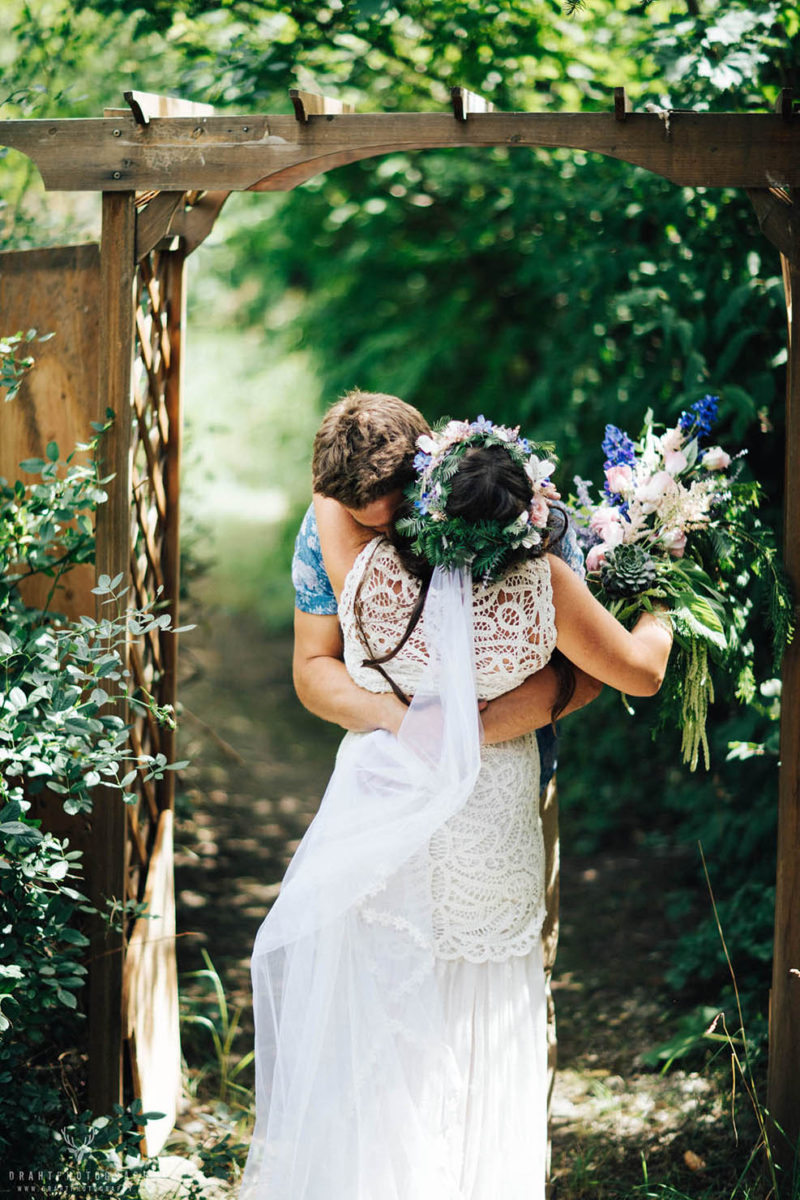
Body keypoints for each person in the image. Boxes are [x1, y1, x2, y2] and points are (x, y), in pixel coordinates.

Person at [241, 415, 672, 1199]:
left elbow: (563, 681)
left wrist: (452, 732)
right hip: (443, 794)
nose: (373, 520)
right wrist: (668, 596)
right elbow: (617, 671)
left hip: (445, 789)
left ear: (426, 473)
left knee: (401, 999)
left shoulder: (362, 572)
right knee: (457, 1001)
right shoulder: (536, 567)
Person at [291, 391, 598, 1152]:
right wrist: (408, 724)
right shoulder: (330, 522)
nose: (387, 538)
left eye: (392, 516)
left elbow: (583, 666)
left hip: (507, 787)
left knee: (506, 982)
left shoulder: (503, 509)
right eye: (364, 525)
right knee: (391, 988)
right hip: (393, 789)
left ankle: (497, 1151)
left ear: (429, 469)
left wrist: (470, 731)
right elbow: (313, 668)